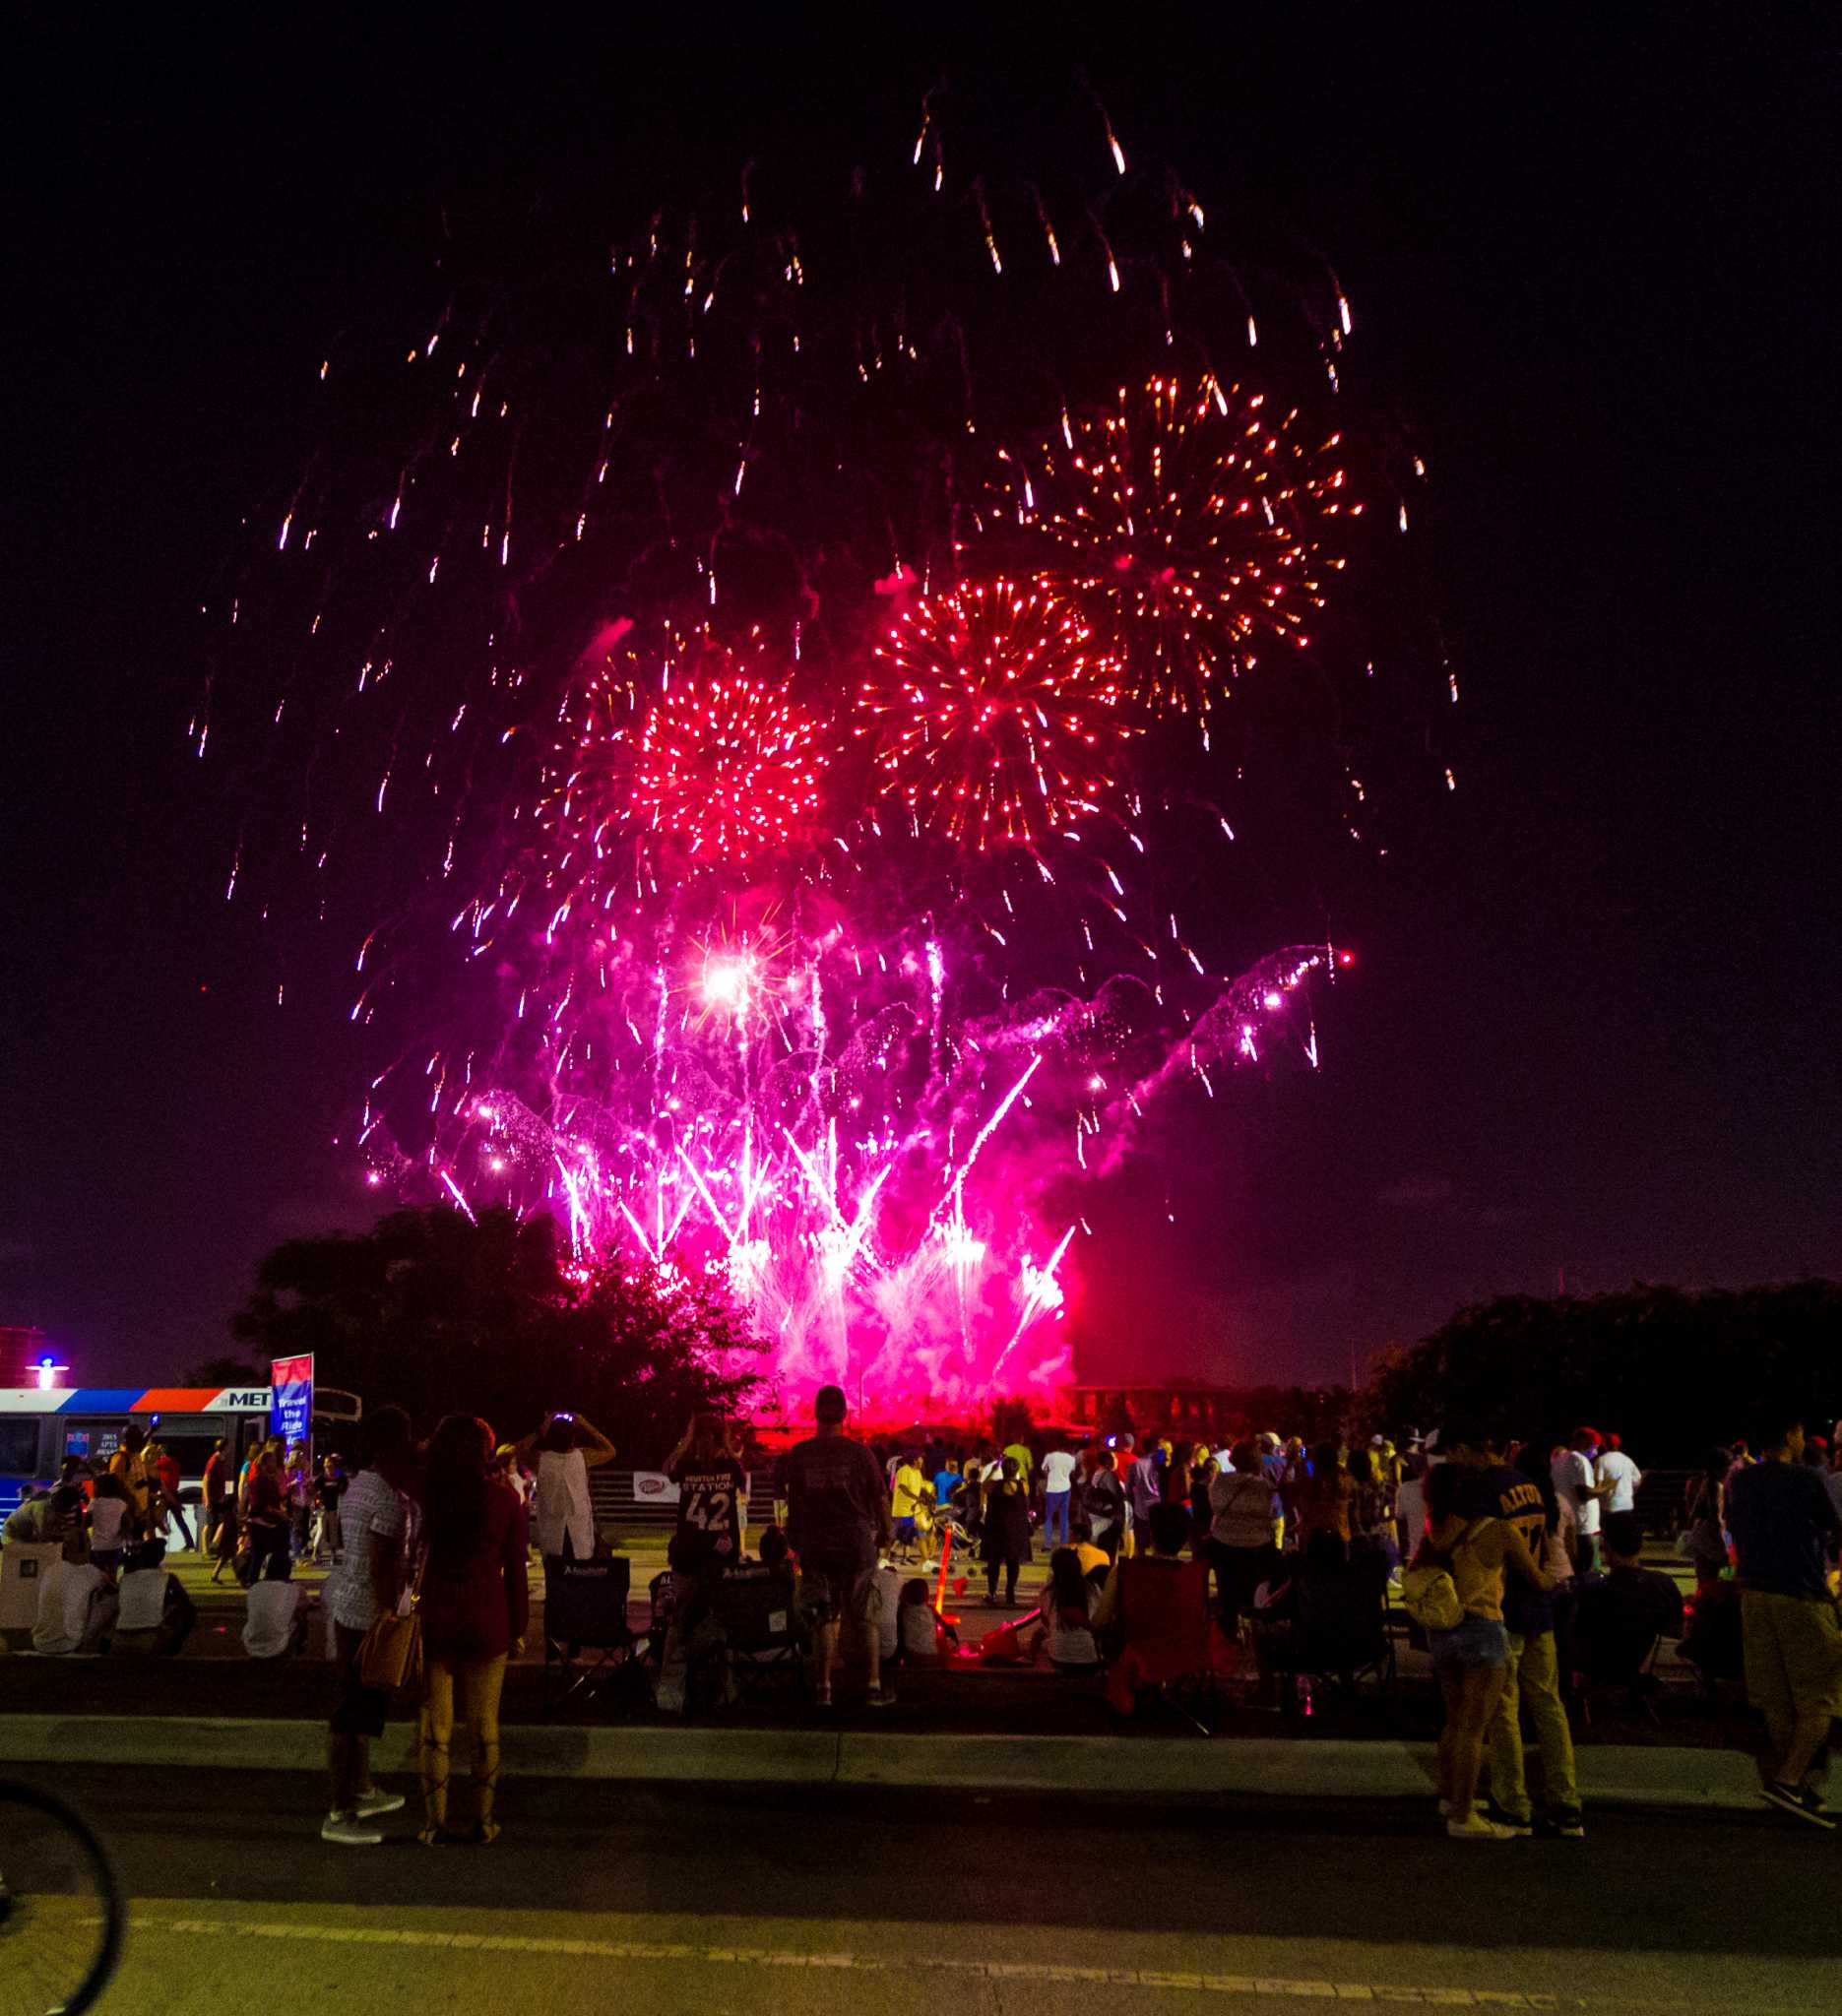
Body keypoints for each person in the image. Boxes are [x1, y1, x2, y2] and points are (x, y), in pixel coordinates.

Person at [1443, 1425, 1583, 1840]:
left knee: (1503, 1710)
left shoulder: (1479, 1491)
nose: (1451, 1460)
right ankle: (1566, 1804)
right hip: (1540, 1608)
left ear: (1473, 1448)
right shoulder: (1529, 1486)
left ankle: (1513, 1804)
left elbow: (1445, 1541)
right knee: (1549, 1705)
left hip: (1503, 1608)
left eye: (1454, 1450)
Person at [1417, 1458, 1553, 1841]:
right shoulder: (1499, 1531)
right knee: (1475, 1729)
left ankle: (1450, 1796)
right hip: (1483, 1627)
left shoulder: (1436, 1526)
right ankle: (1463, 1816)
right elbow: (1537, 1578)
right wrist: (1556, 1575)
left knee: (1454, 1719)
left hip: (1443, 1629)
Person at [416, 1415, 530, 1846]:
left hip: (438, 1613)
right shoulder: (504, 1502)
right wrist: (518, 1626)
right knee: (484, 1726)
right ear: (485, 1452)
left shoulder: (429, 1497)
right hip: (487, 1614)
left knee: (435, 1727)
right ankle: (483, 1820)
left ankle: (434, 1822)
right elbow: (515, 1573)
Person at [1725, 1412, 1842, 1827]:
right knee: (1821, 1694)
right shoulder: (1806, 1479)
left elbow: (1733, 1528)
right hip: (1801, 1592)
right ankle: (1790, 1779)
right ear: (1790, 1435)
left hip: (1755, 1594)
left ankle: (1797, 1784)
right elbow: (1834, 1529)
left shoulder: (1742, 1480)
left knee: (1775, 1697)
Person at [324, 1404, 416, 1848]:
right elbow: (383, 1565)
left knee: (357, 1711)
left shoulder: (359, 1486)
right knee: (350, 1713)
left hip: (347, 1605)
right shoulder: (385, 1497)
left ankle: (361, 1790)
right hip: (366, 1615)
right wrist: (390, 1614)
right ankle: (340, 1810)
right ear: (392, 1445)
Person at [785, 1383, 895, 1708]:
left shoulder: (801, 1454)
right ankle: (873, 1686)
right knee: (865, 1618)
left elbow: (795, 1504)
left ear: (816, 1413)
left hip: (817, 1547)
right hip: (857, 1545)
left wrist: (796, 1542)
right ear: (845, 1415)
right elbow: (879, 1497)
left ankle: (824, 1688)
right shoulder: (860, 1454)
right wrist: (886, 1532)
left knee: (822, 1619)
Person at [1573, 1509, 1684, 1688]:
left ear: (1607, 1546)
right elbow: (1677, 1628)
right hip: (1636, 1663)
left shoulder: (1594, 1589)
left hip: (1597, 1665)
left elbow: (1580, 1630)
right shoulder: (1662, 1583)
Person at [1208, 1442, 1283, 1623]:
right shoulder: (1265, 1486)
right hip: (1256, 1546)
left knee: (1227, 1592)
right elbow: (1274, 1513)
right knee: (1255, 1594)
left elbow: (1214, 1506)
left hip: (1224, 1544)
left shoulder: (1220, 1481)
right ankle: (1253, 1630)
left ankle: (1230, 1630)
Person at [526, 1411, 615, 1561]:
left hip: (552, 1532)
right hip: (579, 1533)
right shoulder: (583, 1456)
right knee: (580, 1579)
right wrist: (586, 1425)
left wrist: (540, 1430)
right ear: (573, 1437)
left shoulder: (540, 1459)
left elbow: (518, 1450)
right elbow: (610, 1450)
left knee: (554, 1579)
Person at [1034, 1545, 1101, 1672]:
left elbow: (1045, 1621)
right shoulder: (1092, 1588)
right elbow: (1099, 1616)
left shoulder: (1049, 1592)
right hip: (1091, 1659)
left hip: (1059, 1659)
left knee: (1039, 1635)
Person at [1552, 1430, 1609, 1573]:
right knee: (1585, 1569)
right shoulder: (1579, 1460)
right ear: (1584, 1443)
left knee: (1573, 1567)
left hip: (1568, 1521)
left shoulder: (1560, 1459)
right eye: (1594, 1447)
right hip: (1583, 1524)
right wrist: (1606, 1488)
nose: (1595, 1452)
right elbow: (1583, 1493)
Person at [981, 1456, 1033, 1606]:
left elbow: (982, 1486)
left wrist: (992, 1471)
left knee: (994, 1562)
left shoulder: (992, 1485)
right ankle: (1010, 1593)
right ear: (1016, 1470)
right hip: (1016, 1530)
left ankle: (992, 1593)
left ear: (1002, 1470)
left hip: (996, 1529)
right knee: (1013, 1562)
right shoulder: (1024, 1486)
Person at [1289, 1441, 1357, 1554]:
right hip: (1340, 1533)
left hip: (1315, 1535)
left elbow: (1301, 1502)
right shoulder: (1345, 1479)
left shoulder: (1311, 1482)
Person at [1681, 1449, 1732, 1587]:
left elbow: (1692, 1512)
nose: (1730, 1469)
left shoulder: (1699, 1482)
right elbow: (1717, 1519)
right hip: (1713, 1539)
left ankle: (1703, 1606)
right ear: (1720, 1467)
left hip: (1700, 1537)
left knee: (1704, 1585)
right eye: (1728, 1465)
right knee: (1727, 1581)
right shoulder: (1717, 1486)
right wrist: (1726, 1546)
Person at [244, 1445, 292, 1583]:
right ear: (264, 1465)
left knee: (266, 1553)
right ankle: (256, 1579)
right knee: (262, 1553)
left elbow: (275, 1500)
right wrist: (278, 1513)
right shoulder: (258, 1481)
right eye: (271, 1461)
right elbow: (259, 1504)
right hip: (260, 1523)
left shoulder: (270, 1481)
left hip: (269, 1521)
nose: (275, 1464)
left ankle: (266, 1577)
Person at [1082, 1447, 1127, 1561]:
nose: (1115, 1461)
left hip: (1097, 1514)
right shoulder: (1109, 1475)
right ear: (1107, 1461)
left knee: (1101, 1546)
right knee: (1109, 1550)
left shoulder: (1097, 1473)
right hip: (1108, 1516)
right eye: (1113, 1459)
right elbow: (1118, 1495)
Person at [87, 1470, 137, 1574]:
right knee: (113, 1573)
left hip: (98, 1546)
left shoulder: (94, 1503)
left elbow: (87, 1522)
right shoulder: (121, 1503)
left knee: (100, 1575)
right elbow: (128, 1523)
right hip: (116, 1545)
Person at [890, 1451, 931, 1561]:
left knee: (916, 1534)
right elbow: (903, 1488)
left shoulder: (917, 1472)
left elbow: (921, 1487)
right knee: (902, 1534)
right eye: (921, 1459)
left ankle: (920, 1560)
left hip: (913, 1509)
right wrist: (917, 1498)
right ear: (915, 1460)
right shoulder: (904, 1471)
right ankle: (887, 1555)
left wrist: (928, 1496)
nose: (922, 1462)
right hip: (902, 1510)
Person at [1040, 1444, 1078, 1548]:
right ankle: (1064, 1543)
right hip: (1066, 1488)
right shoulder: (1071, 1458)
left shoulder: (1049, 1456)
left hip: (1052, 1488)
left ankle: (1048, 1544)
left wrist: (1050, 1476)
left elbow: (1043, 1469)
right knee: (1064, 1516)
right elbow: (1073, 1472)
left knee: (1049, 1517)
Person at [1595, 1434, 1643, 1519]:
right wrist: (1630, 1494)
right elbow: (1638, 1480)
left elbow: (1598, 1484)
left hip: (1610, 1506)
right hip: (1627, 1504)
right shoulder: (1627, 1460)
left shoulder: (1601, 1460)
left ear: (1604, 1444)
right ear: (1618, 1445)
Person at [202, 1439, 230, 1559]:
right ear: (224, 1448)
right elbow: (206, 1480)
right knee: (210, 1523)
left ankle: (213, 1546)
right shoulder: (214, 1461)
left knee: (220, 1522)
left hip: (218, 1497)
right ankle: (205, 1549)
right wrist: (207, 1499)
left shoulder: (221, 1461)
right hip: (212, 1497)